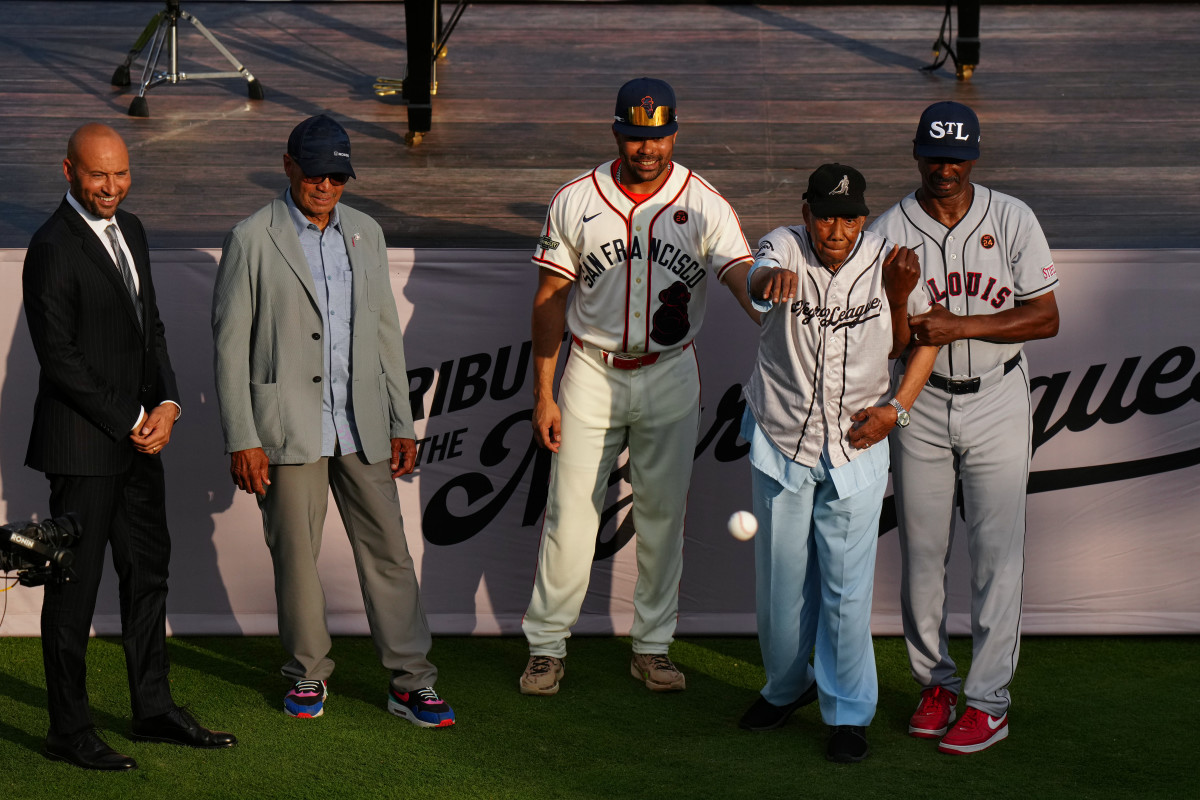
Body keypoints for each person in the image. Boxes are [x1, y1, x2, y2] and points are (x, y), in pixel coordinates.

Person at [211, 115, 453, 727]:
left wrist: (402, 420)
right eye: (315, 172)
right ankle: (306, 674)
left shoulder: (366, 232)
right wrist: (243, 436)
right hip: (286, 427)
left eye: (337, 175)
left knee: (390, 555)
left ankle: (412, 681)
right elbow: (229, 347)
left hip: (364, 423)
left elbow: (383, 334)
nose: (325, 185)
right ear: (288, 165)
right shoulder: (251, 237)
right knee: (296, 554)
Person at [521, 77, 758, 695]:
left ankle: (652, 646)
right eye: (635, 137)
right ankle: (546, 646)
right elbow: (550, 298)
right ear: (617, 133)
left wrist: (767, 294)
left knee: (662, 517)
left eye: (657, 138)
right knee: (570, 515)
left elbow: (738, 272)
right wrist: (544, 393)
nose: (646, 150)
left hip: (670, 369)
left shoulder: (703, 201)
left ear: (673, 134)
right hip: (591, 370)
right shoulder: (576, 198)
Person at [23, 123, 236, 771]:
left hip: (142, 443)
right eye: (97, 176)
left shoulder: (134, 230)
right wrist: (135, 417)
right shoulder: (51, 248)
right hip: (84, 451)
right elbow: (58, 358)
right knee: (74, 592)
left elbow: (152, 330)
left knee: (148, 576)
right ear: (68, 171)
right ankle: (69, 730)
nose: (111, 187)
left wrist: (168, 404)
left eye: (120, 173)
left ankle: (152, 710)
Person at [869, 101, 1060, 755]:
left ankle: (988, 701)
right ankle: (936, 684)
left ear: (974, 156)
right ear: (916, 152)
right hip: (919, 404)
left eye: (955, 154)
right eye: (933, 153)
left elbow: (1045, 317)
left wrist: (961, 326)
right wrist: (897, 299)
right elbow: (889, 345)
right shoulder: (889, 229)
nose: (944, 166)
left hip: (998, 398)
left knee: (996, 558)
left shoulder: (1010, 217)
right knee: (922, 557)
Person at [735, 164, 938, 762]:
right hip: (782, 438)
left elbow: (919, 341)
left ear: (862, 219)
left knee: (847, 592)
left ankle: (848, 712)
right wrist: (767, 280)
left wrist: (897, 410)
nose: (835, 229)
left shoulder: (892, 258)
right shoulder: (783, 245)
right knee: (781, 584)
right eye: (825, 215)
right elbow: (756, 275)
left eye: (848, 218)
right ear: (807, 214)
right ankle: (785, 687)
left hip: (857, 444)